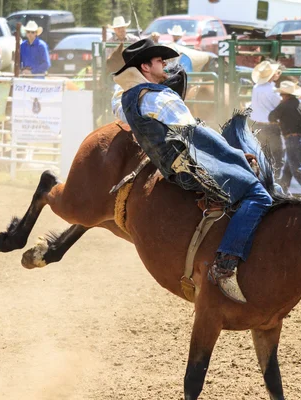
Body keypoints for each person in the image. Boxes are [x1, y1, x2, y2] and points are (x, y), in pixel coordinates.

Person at [111, 38, 272, 304]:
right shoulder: (162, 98)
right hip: (193, 167)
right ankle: (225, 264)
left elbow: (117, 108)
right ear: (145, 67)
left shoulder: (131, 99)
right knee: (260, 195)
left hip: (172, 168)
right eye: (159, 61)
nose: (165, 64)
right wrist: (234, 155)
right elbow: (196, 135)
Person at [268, 81, 301, 193]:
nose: (281, 97)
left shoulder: (284, 105)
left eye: (282, 95)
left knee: (296, 169)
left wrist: (277, 122)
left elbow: (271, 117)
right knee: (288, 170)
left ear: (286, 95)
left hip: (292, 140)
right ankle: (281, 192)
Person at [250, 60, 283, 172]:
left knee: (260, 154)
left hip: (257, 125)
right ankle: (276, 180)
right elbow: (279, 105)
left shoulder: (256, 88)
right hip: (271, 126)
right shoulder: (273, 90)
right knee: (276, 155)